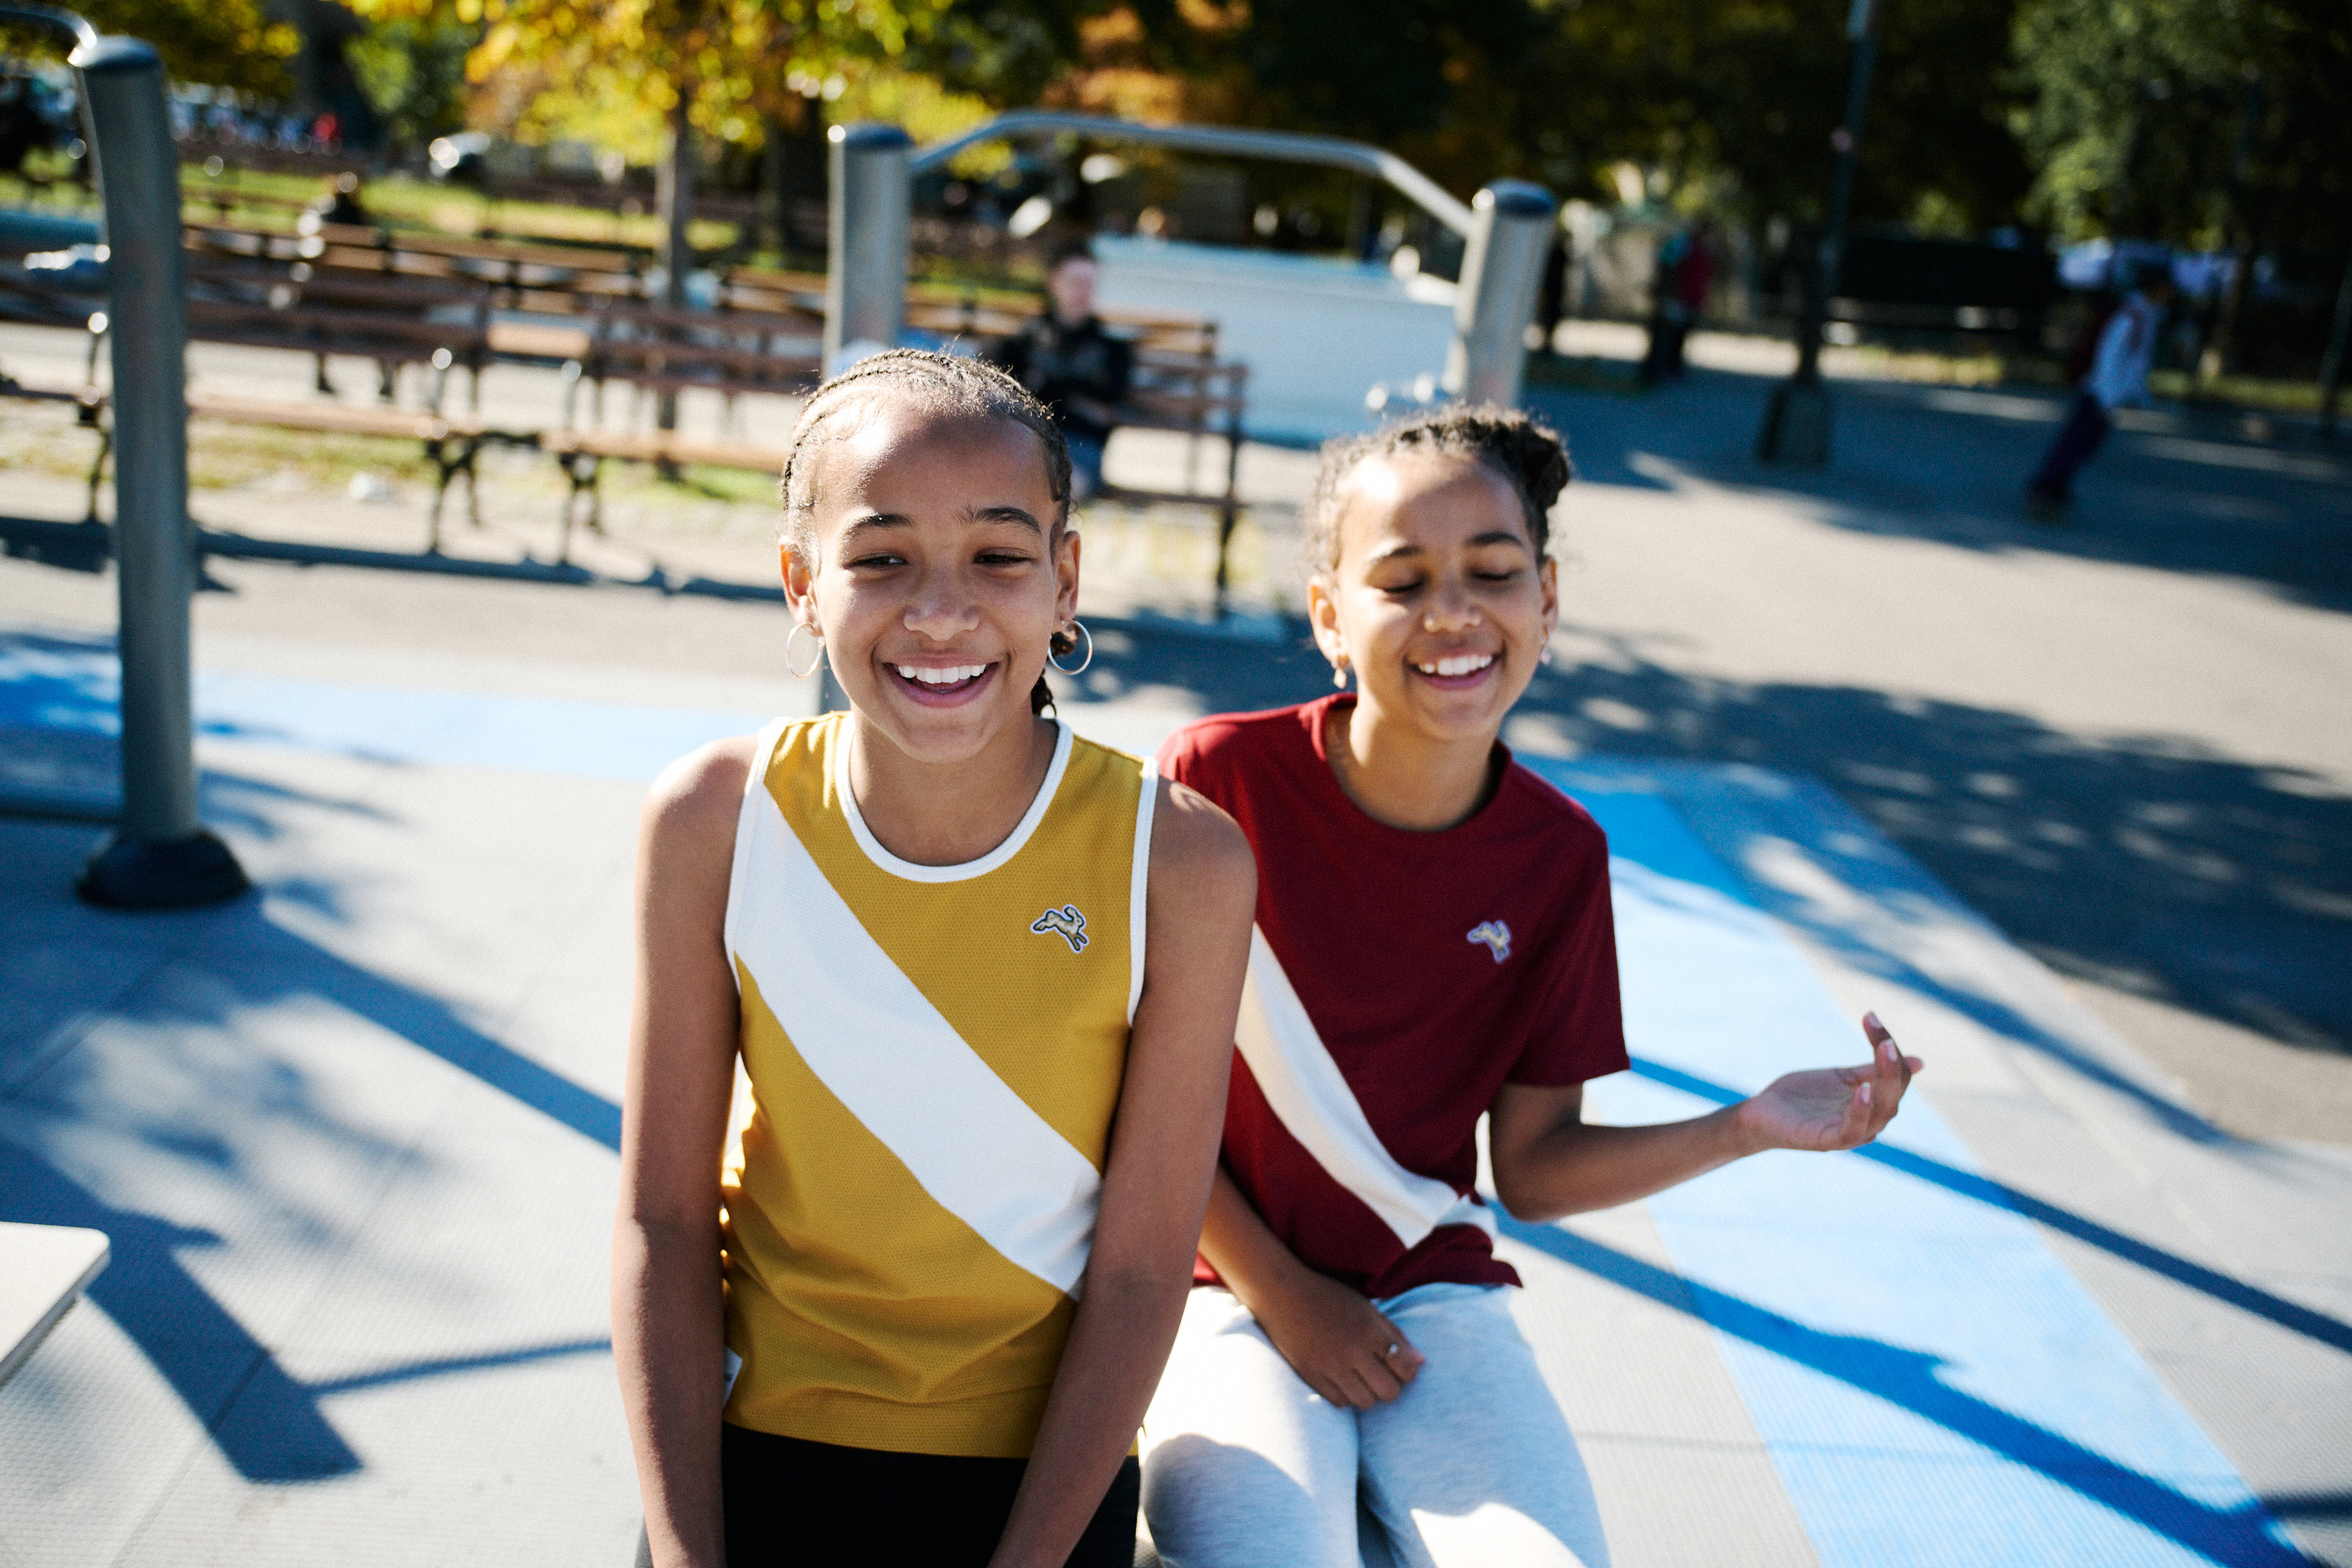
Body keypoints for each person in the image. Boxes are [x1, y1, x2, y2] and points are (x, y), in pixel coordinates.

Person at [1138, 404, 1925, 1568]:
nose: (1452, 611)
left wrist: (1746, 1126)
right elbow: (1133, 1095)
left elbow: (1539, 1171)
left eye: (1493, 572)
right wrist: (1289, 1294)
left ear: (1545, 602)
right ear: (1329, 618)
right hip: (1219, 1280)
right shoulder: (1215, 780)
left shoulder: (1560, 855)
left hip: (1430, 1286)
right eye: (1402, 580)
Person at [613, 349, 1256, 1568]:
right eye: (881, 557)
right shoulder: (715, 818)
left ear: (1066, 579)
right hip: (754, 1443)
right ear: (802, 583)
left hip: (1034, 1480)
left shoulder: (1178, 864)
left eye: (999, 557)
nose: (942, 609)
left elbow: (1139, 1270)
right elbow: (659, 1218)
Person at [2027, 266, 2179, 520]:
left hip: (2104, 394)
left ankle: (2054, 489)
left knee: (2084, 443)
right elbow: (2109, 357)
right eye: (2167, 288)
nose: (2170, 294)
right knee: (2075, 443)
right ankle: (2045, 491)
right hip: (2099, 393)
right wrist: (2108, 396)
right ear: (2155, 288)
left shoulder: (2145, 314)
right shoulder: (2132, 315)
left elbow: (2136, 363)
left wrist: (2137, 396)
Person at [988, 242, 1134, 503]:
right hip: (1024, 444)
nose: (1083, 291)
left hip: (1078, 450)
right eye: (1075, 281)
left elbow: (1108, 409)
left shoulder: (1112, 349)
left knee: (1055, 484)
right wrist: (1078, 399)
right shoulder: (1022, 341)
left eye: (1090, 283)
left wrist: (1047, 390)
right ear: (1053, 282)